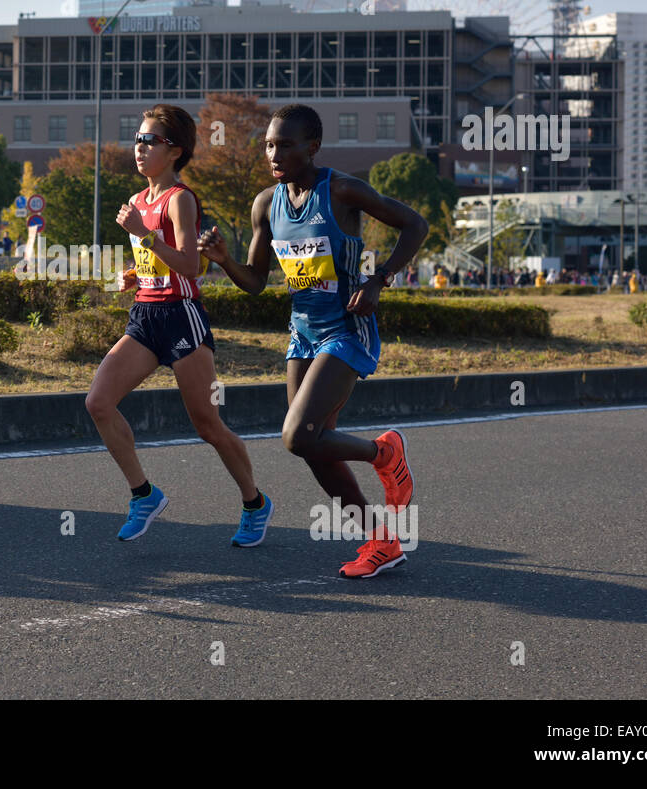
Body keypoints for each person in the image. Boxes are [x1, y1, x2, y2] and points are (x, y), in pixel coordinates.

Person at [198, 104, 429, 577]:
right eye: (268, 144)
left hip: (346, 329)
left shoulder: (342, 190)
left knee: (296, 435)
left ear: (312, 146)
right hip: (302, 333)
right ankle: (381, 542)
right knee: (312, 445)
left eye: (285, 144)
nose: (274, 153)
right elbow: (257, 280)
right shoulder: (266, 203)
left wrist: (379, 279)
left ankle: (384, 453)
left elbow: (415, 225)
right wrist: (224, 260)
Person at [84, 104, 272, 547]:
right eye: (137, 138)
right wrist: (136, 273)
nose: (140, 147)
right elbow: (157, 261)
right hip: (145, 316)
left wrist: (145, 236)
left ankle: (254, 503)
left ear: (175, 152)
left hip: (181, 317)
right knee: (98, 402)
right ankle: (143, 495)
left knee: (207, 425)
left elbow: (191, 265)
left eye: (151, 141)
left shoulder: (179, 199)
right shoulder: (135, 202)